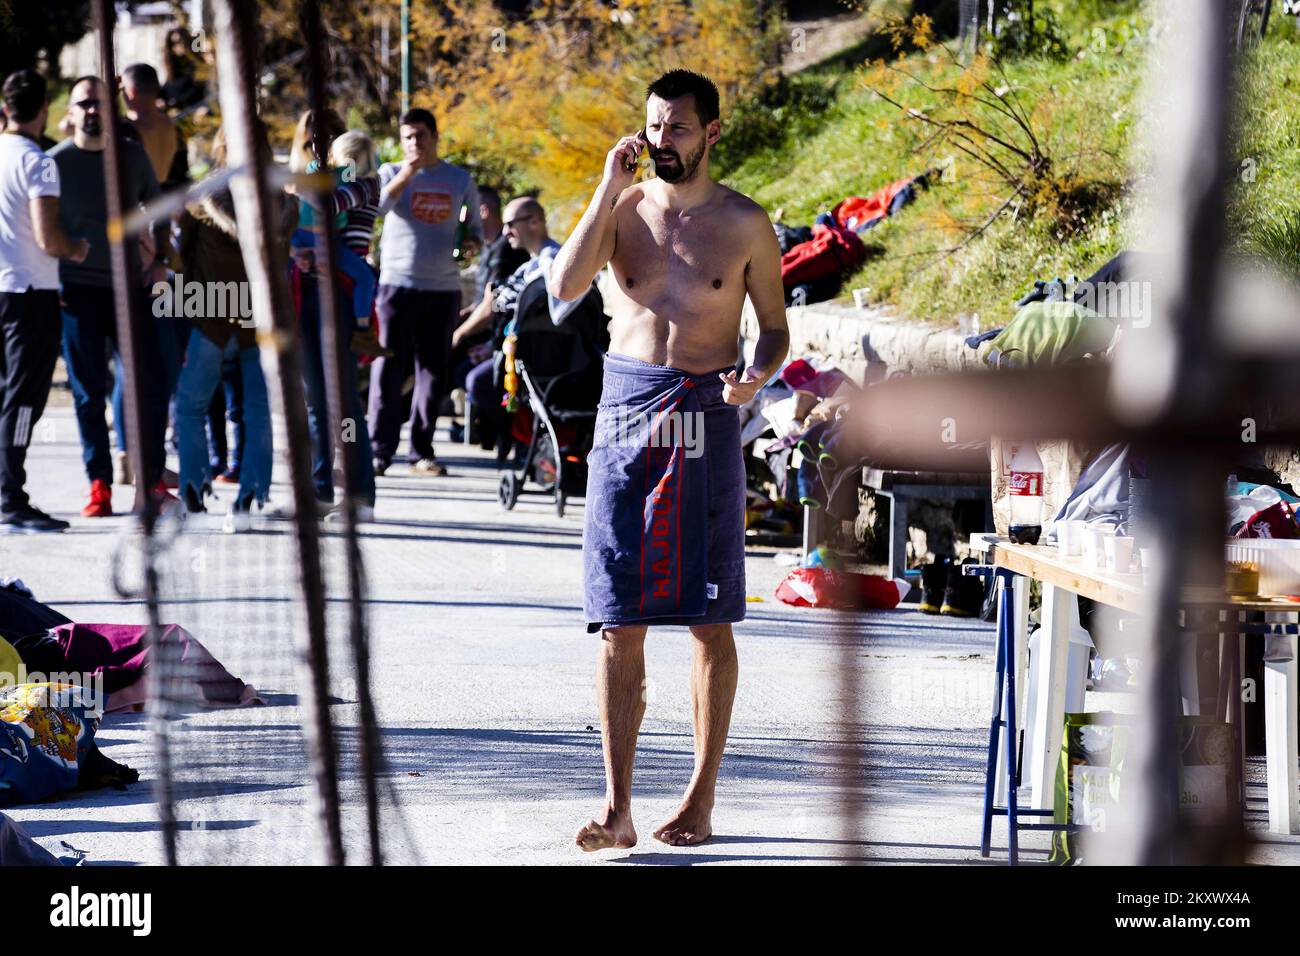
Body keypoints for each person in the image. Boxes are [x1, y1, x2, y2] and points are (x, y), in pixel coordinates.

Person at [549, 69, 789, 850]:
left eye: (678, 128)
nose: (662, 141)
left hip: (705, 418)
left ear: (713, 131)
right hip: (625, 416)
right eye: (654, 126)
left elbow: (775, 328)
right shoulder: (621, 210)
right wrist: (602, 187)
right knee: (618, 621)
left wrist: (759, 373)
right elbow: (563, 284)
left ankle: (700, 797)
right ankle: (617, 809)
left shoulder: (746, 224)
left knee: (709, 620)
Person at [50, 76, 173, 518]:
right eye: (83, 103)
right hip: (77, 292)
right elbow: (37, 228)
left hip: (128, 288)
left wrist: (159, 260)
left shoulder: (132, 156)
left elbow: (158, 208)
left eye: (99, 103)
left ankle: (152, 481)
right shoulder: (55, 163)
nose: (91, 111)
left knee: (149, 385)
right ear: (72, 110)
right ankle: (99, 483)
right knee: (87, 393)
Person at [173, 124, 286, 530]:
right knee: (258, 411)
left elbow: (182, 255)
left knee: (190, 407)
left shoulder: (203, 194)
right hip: (259, 318)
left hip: (212, 317)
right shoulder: (277, 196)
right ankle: (251, 500)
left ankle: (193, 492)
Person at [368, 108, 482, 478]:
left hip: (443, 288)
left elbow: (476, 229)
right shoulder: (390, 173)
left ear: (435, 136)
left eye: (420, 135)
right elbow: (378, 208)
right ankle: (378, 451)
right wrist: (408, 171)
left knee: (433, 373)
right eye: (407, 138)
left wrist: (472, 245)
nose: (414, 143)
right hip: (396, 284)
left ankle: (420, 453)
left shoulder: (459, 178)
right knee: (387, 368)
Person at [0, 70, 89, 532]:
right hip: (31, 292)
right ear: (42, 112)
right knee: (24, 400)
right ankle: (10, 495)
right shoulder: (39, 162)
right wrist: (77, 247)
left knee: (6, 395)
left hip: (2, 288)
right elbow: (48, 236)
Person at [287, 110, 378, 517]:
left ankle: (357, 495)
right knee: (317, 401)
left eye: (327, 140)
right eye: (311, 139)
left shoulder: (360, 181)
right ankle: (322, 492)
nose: (318, 147)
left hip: (338, 295)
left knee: (341, 401)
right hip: (311, 289)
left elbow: (329, 203)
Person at [452, 196, 578, 445]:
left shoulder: (551, 264)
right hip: (525, 352)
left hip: (542, 361)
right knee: (468, 371)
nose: (505, 231)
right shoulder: (532, 263)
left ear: (533, 222)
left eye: (510, 224)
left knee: (476, 381)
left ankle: (520, 442)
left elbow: (554, 323)